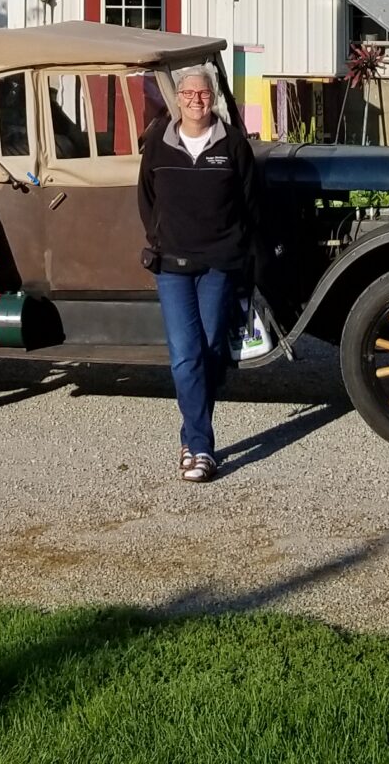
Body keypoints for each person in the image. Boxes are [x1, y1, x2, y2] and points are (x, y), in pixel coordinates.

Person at [137, 63, 256, 483]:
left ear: (213, 98)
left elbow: (247, 200)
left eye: (202, 94)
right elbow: (146, 197)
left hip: (218, 262)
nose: (195, 100)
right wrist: (159, 236)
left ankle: (190, 433)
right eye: (187, 94)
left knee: (211, 351)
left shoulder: (233, 145)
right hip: (172, 263)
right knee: (185, 353)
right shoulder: (158, 144)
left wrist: (236, 249)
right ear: (178, 99)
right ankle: (202, 449)